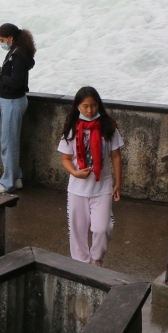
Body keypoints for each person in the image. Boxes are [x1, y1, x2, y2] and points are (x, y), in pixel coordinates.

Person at [58, 86, 123, 267]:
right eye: (85, 106)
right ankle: (80, 264)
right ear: (78, 106)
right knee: (77, 231)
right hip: (77, 189)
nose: (89, 110)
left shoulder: (108, 128)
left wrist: (118, 183)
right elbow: (65, 158)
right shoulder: (72, 128)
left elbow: (116, 156)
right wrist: (74, 172)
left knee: (102, 228)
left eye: (93, 106)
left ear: (98, 105)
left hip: (102, 187)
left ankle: (96, 259)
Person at [0, 23, 36, 193]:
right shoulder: (18, 53)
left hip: (12, 103)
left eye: (2, 40)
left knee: (8, 144)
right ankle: (17, 177)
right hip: (14, 102)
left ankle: (7, 183)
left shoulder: (17, 55)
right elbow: (15, 76)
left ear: (10, 38)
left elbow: (15, 82)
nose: (1, 43)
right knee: (12, 142)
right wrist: (1, 70)